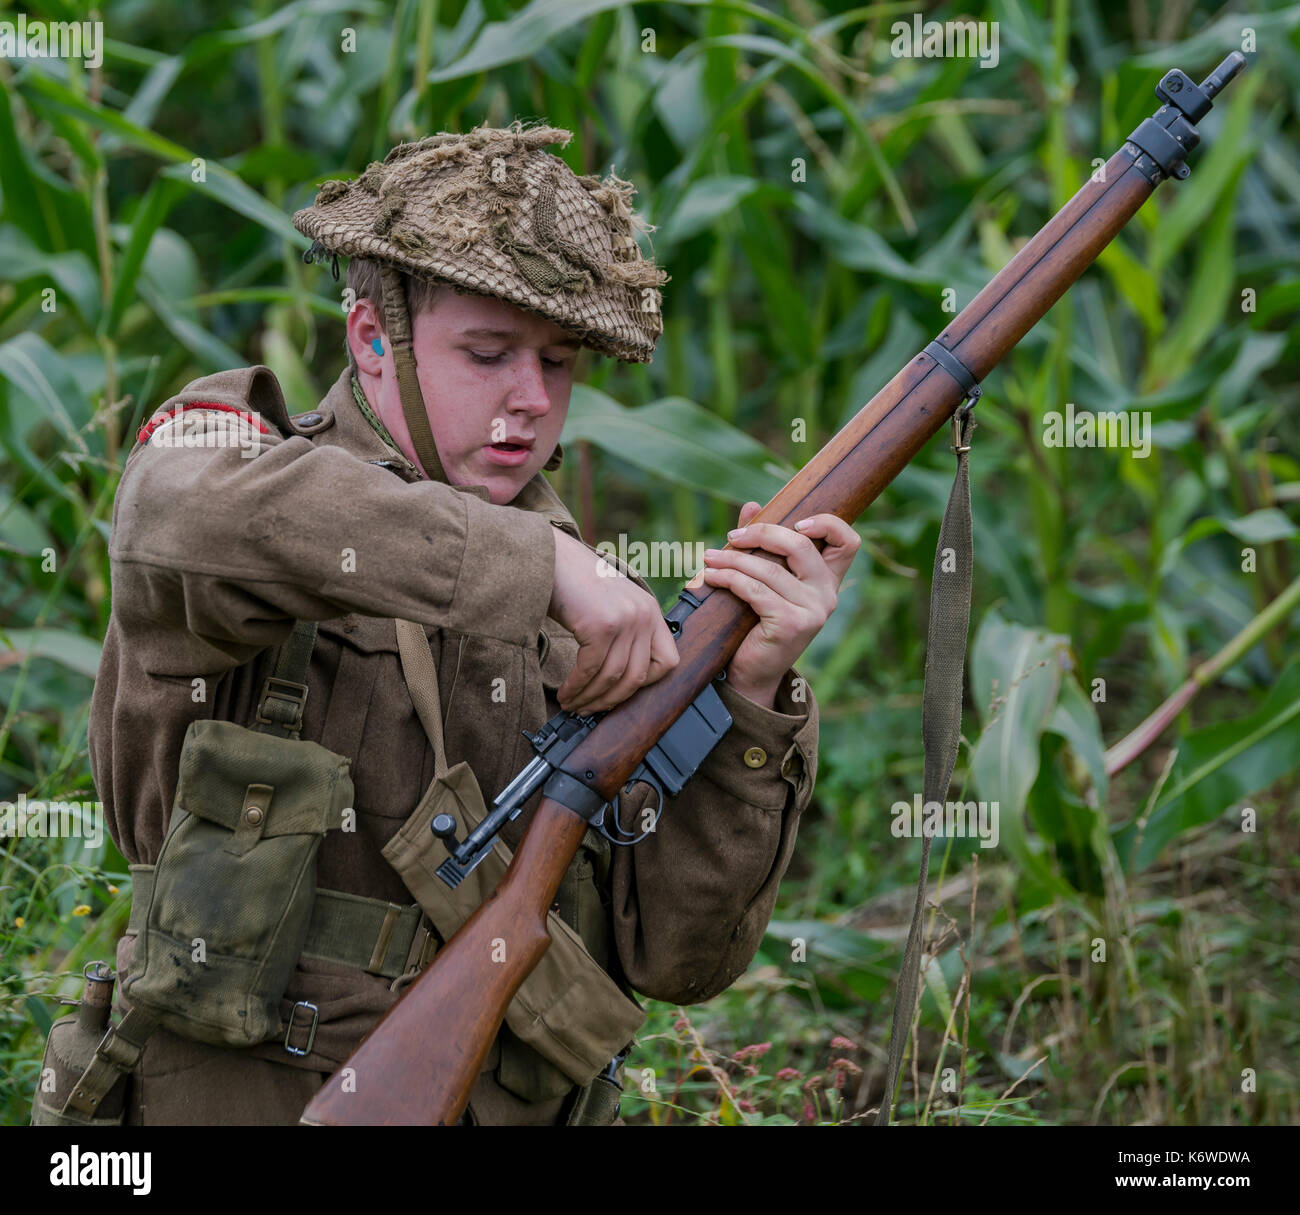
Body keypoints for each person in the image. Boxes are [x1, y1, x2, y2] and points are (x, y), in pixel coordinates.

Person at [84, 121, 861, 1125]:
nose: (530, 401)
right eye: (488, 353)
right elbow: (173, 513)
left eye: (561, 361)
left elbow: (676, 961)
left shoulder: (589, 610)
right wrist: (537, 564)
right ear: (371, 339)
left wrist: (747, 694)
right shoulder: (239, 457)